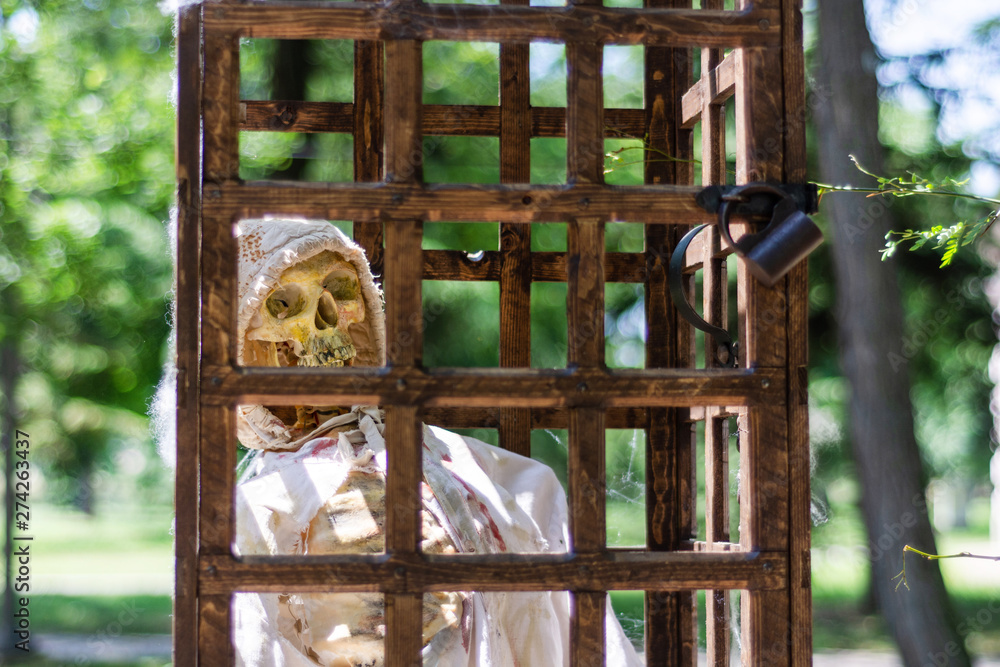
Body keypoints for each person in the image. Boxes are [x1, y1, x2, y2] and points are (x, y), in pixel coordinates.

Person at [231, 218, 642, 666]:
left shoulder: (481, 469)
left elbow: (561, 609)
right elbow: (255, 645)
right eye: (283, 304)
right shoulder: (262, 505)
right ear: (244, 337)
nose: (326, 322)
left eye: (340, 292)